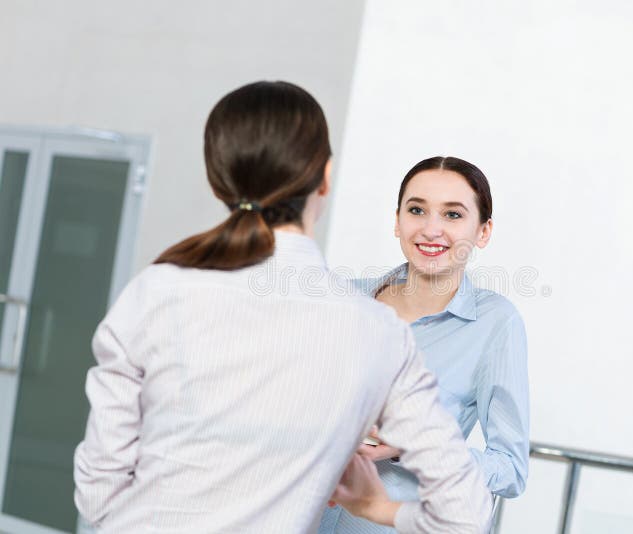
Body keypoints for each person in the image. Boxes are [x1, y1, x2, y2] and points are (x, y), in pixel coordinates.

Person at [73, 82, 491, 533]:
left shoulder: (154, 291)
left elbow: (98, 491)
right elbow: (464, 514)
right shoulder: (375, 330)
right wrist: (376, 507)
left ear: (218, 183)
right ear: (325, 177)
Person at [320, 156, 530, 533]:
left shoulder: (496, 324)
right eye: (417, 209)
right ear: (397, 221)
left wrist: (415, 445)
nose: (431, 229)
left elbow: (511, 469)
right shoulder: (347, 302)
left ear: (483, 232)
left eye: (452, 215)